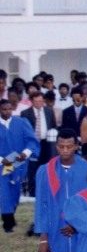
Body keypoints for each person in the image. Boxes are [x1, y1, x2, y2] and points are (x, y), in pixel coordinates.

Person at [1, 98, 39, 232]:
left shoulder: (21, 123)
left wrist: (25, 153)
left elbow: (32, 141)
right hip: (2, 163)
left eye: (9, 109)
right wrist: (1, 160)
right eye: (4, 109)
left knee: (15, 189)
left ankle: (10, 212)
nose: (7, 112)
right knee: (3, 189)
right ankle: (8, 222)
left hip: (18, 160)